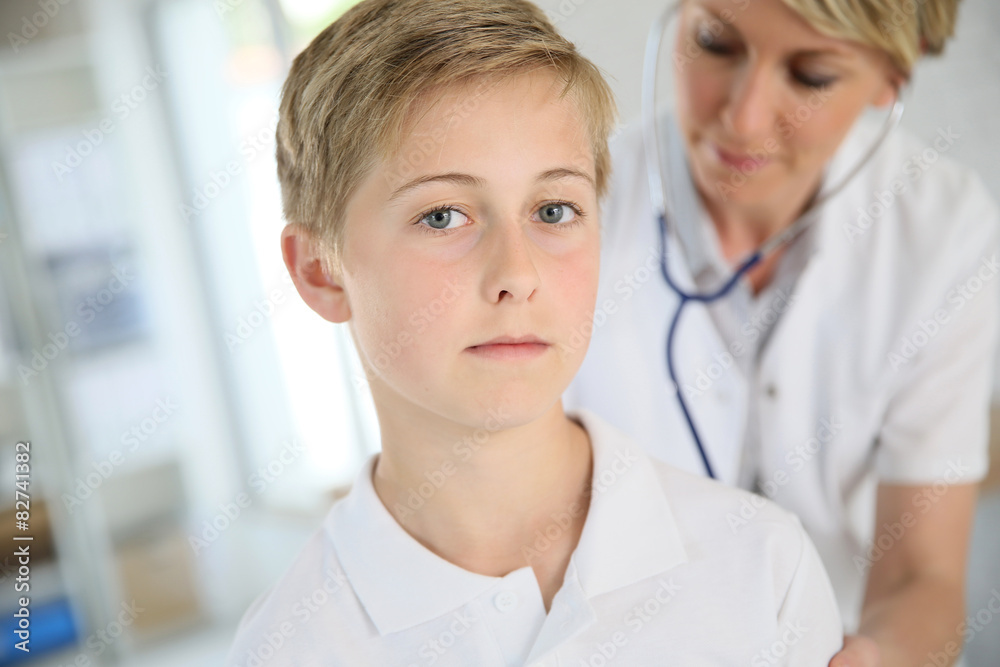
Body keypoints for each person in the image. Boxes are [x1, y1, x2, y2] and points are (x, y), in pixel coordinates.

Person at [224, 0, 844, 664]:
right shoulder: (288, 646)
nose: (517, 274)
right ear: (322, 270)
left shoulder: (761, 567)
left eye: (553, 209)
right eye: (442, 216)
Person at [564, 0, 1000, 665]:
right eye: (715, 43)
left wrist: (876, 656)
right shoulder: (570, 213)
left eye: (813, 76)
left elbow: (922, 573)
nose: (741, 117)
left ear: (893, 78)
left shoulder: (945, 232)